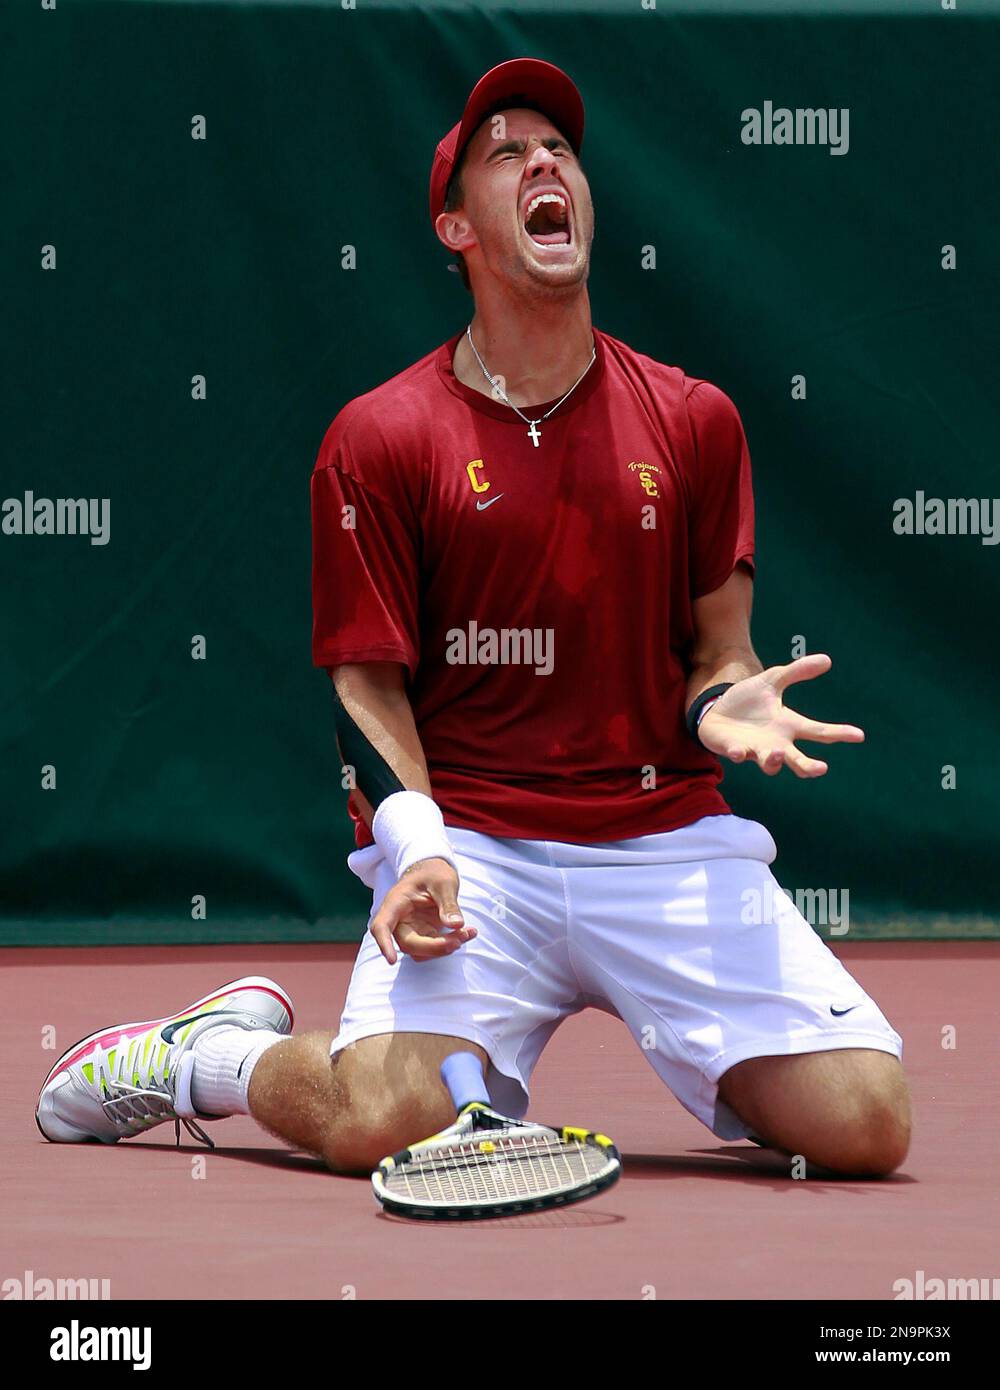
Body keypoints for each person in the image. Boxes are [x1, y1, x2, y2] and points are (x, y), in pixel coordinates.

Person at [36, 59, 909, 1177]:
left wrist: (716, 705)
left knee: (867, 1124)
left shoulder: (697, 421)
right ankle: (206, 1058)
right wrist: (418, 845)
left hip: (663, 840)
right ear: (456, 226)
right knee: (375, 1126)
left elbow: (716, 655)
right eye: (509, 151)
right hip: (480, 845)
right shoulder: (382, 437)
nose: (547, 161)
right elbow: (366, 684)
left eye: (561, 148)